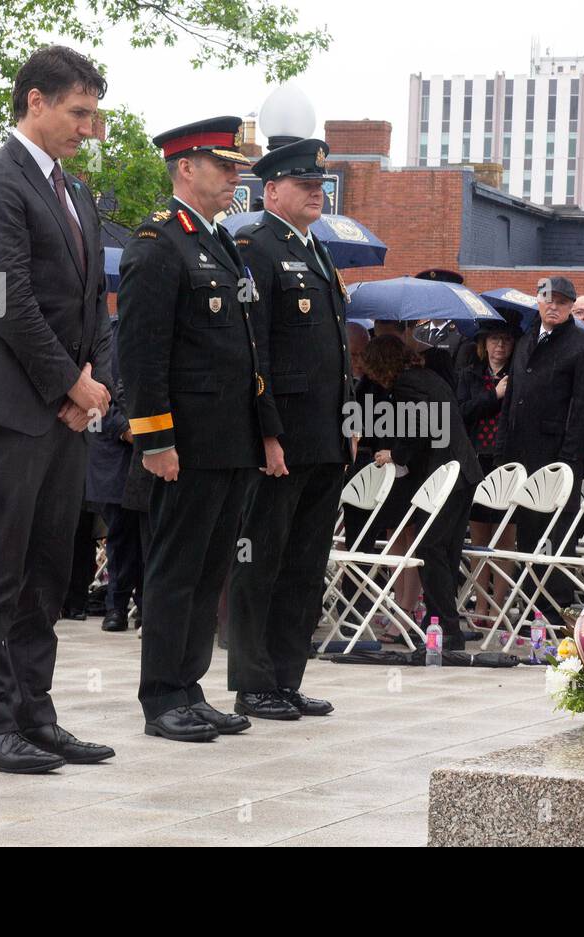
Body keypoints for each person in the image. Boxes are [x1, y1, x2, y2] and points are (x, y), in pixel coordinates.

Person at [0, 45, 116, 773]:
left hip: (65, 414)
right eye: (79, 113)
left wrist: (95, 387)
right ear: (36, 102)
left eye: (94, 114)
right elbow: (6, 299)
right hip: (12, 408)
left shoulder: (76, 194)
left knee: (47, 574)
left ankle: (33, 715)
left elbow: (95, 309)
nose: (89, 128)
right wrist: (69, 387)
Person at [116, 115, 277, 744]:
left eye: (238, 166)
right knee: (175, 571)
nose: (236, 175)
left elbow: (246, 350)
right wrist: (155, 439)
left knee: (210, 571)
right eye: (225, 164)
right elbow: (142, 353)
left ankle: (190, 686)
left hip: (227, 441)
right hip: (182, 445)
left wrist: (262, 433)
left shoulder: (220, 243)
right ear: (186, 167)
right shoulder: (159, 243)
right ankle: (162, 697)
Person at [227, 137, 352, 721]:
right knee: (262, 559)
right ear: (271, 190)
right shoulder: (256, 246)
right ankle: (253, 681)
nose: (315, 192)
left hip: (324, 434)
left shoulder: (319, 252)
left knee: (305, 565)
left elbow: (336, 353)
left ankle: (286, 675)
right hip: (281, 437)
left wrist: (348, 420)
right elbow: (256, 350)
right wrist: (267, 432)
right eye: (304, 184)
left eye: (320, 184)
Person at [494, 275, 584, 624]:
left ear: (571, 306)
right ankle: (529, 613)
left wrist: (568, 459)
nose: (553, 306)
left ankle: (558, 616)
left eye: (561, 301)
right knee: (527, 535)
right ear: (537, 302)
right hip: (521, 454)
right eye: (547, 299)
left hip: (559, 457)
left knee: (558, 539)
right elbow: (511, 399)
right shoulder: (527, 340)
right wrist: (502, 450)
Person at [366, 335, 483, 650]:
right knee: (445, 550)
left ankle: (444, 627)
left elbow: (418, 425)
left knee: (430, 548)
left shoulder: (406, 384)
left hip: (446, 475)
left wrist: (396, 453)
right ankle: (443, 625)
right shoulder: (427, 376)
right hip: (462, 473)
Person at [455, 317, 520, 622]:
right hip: (476, 458)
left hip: (505, 460)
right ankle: (480, 602)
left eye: (505, 340)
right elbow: (462, 411)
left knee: (505, 535)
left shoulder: (519, 375)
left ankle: (499, 603)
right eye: (494, 340)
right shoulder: (470, 375)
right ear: (484, 344)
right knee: (479, 536)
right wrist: (494, 396)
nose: (499, 346)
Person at [87, 314, 146, 633]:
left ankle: (146, 607)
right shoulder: (110, 334)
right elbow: (98, 395)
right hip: (116, 452)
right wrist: (124, 428)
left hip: (149, 449)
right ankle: (117, 606)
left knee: (150, 534)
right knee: (121, 535)